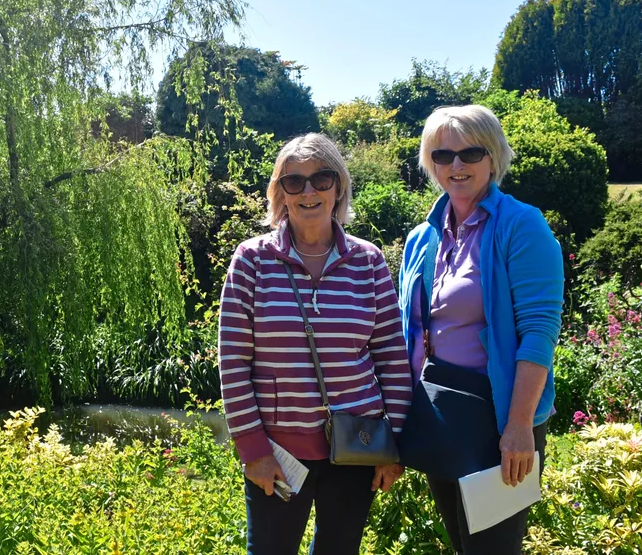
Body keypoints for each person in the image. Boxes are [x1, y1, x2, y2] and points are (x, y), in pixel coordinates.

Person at [219, 133, 412, 555]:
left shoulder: (368, 261)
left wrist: (390, 444)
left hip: (356, 447)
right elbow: (233, 363)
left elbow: (393, 362)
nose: (309, 190)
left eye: (321, 179)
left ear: (338, 186)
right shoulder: (251, 261)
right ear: (280, 194)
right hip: (278, 452)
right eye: (294, 182)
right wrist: (253, 450)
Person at [398, 105, 563, 554]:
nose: (456, 165)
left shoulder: (521, 225)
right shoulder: (422, 238)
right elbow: (406, 335)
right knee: (461, 543)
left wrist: (519, 425)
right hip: (443, 408)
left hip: (501, 416)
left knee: (493, 549)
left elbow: (539, 331)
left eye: (470, 153)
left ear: (493, 157)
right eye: (442, 154)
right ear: (430, 163)